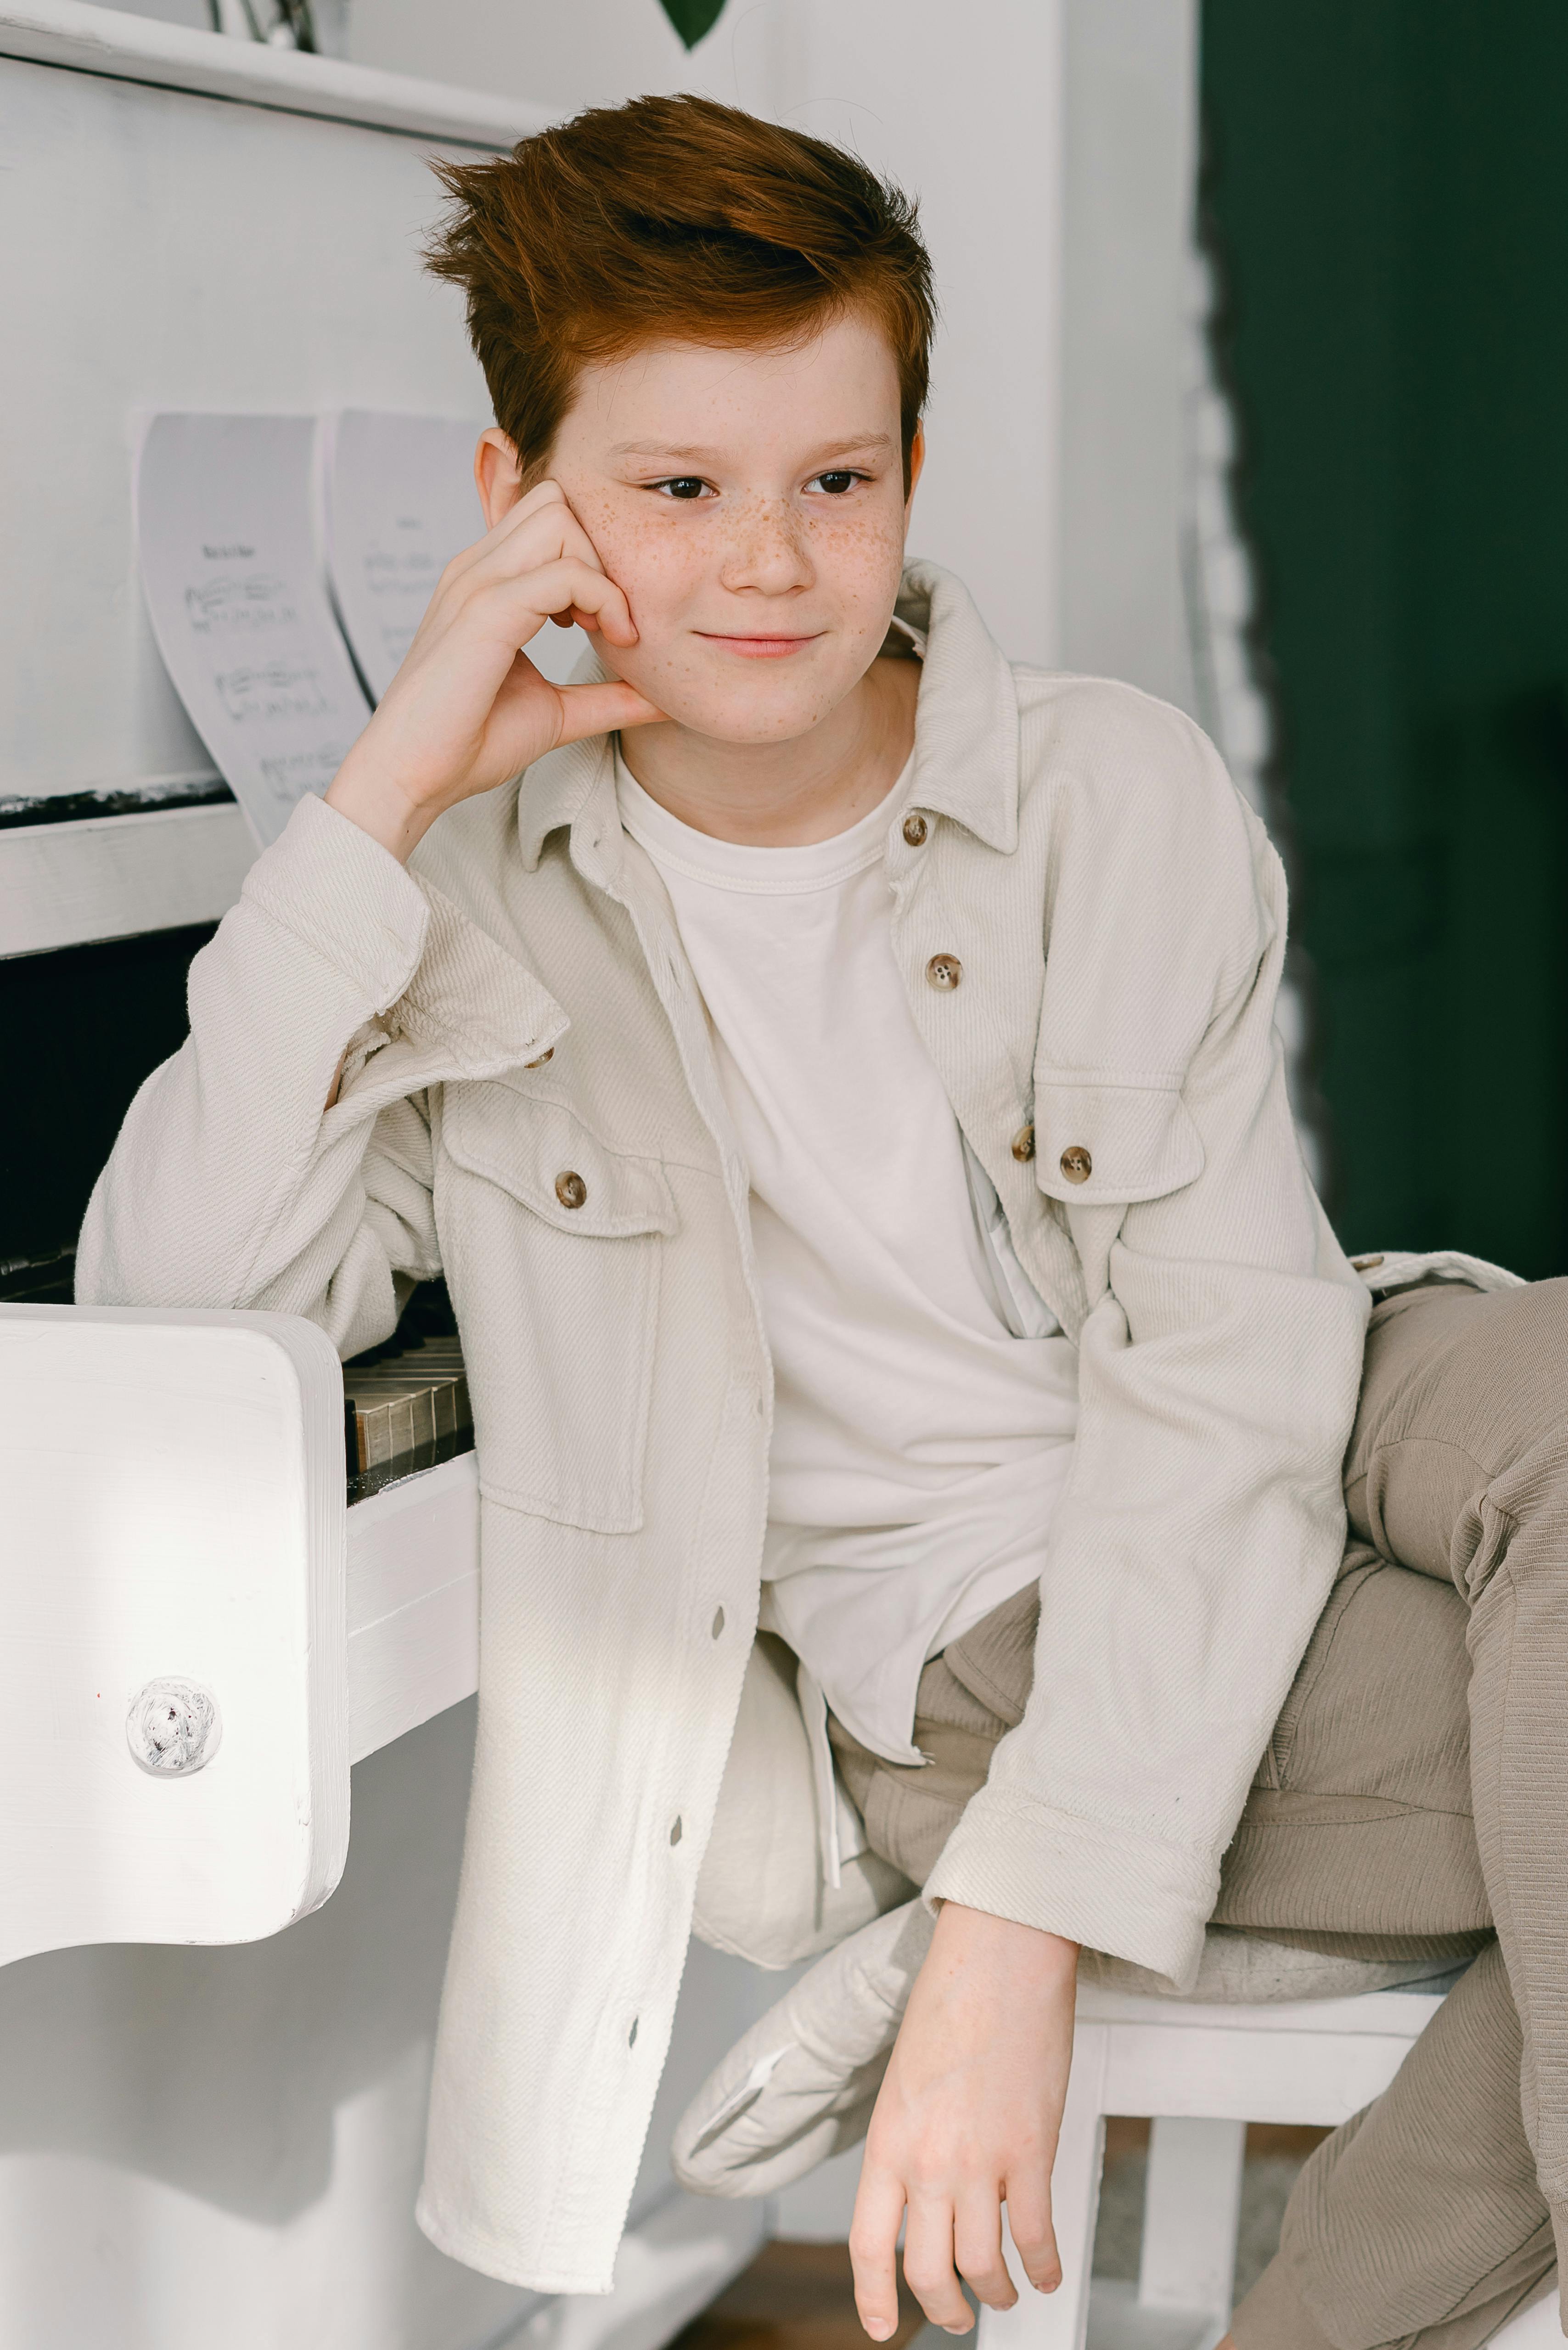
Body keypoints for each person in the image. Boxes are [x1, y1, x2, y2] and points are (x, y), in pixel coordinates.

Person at [78, 93, 1568, 2350]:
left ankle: (1003, 1904)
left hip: (1297, 1417)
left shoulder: (1102, 787)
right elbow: (165, 1311)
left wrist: (1009, 1934)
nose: (767, 561)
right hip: (982, 1641)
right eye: (676, 487)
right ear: (519, 506)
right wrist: (382, 792)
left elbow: (1229, 1378)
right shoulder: (464, 911)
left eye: (832, 480)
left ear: (903, 474)